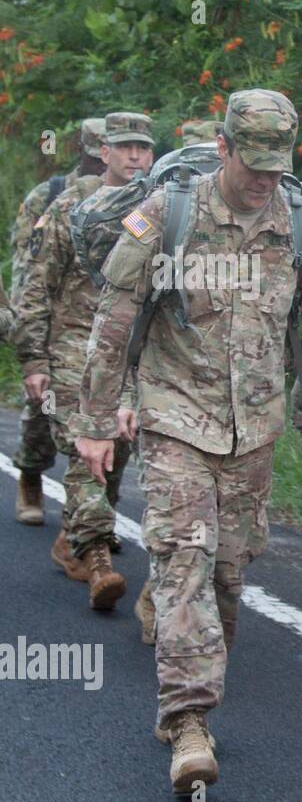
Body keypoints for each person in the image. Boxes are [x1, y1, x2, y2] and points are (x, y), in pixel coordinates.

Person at [71, 89, 302, 794]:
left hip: (255, 431)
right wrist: (93, 419)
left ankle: (185, 656)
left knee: (229, 575)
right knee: (187, 560)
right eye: (251, 162)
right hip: (175, 416)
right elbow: (114, 316)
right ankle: (190, 721)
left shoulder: (301, 225)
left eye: (276, 164)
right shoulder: (168, 215)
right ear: (223, 147)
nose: (263, 177)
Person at [14, 112, 154, 608]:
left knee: (120, 448)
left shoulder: (155, 209)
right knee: (84, 444)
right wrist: (34, 358)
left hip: (131, 354)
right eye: (126, 148)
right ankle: (95, 557)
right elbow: (36, 284)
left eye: (144, 148)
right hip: (74, 346)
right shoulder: (72, 205)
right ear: (105, 152)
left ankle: (76, 533)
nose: (136, 156)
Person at [8, 118, 106, 527]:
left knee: (98, 422)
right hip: (55, 322)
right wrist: (28, 335)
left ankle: (87, 524)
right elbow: (27, 268)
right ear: (83, 148)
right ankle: (30, 475)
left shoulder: (134, 200)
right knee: (40, 411)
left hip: (102, 331)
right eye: (99, 148)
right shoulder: (50, 197)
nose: (106, 156)